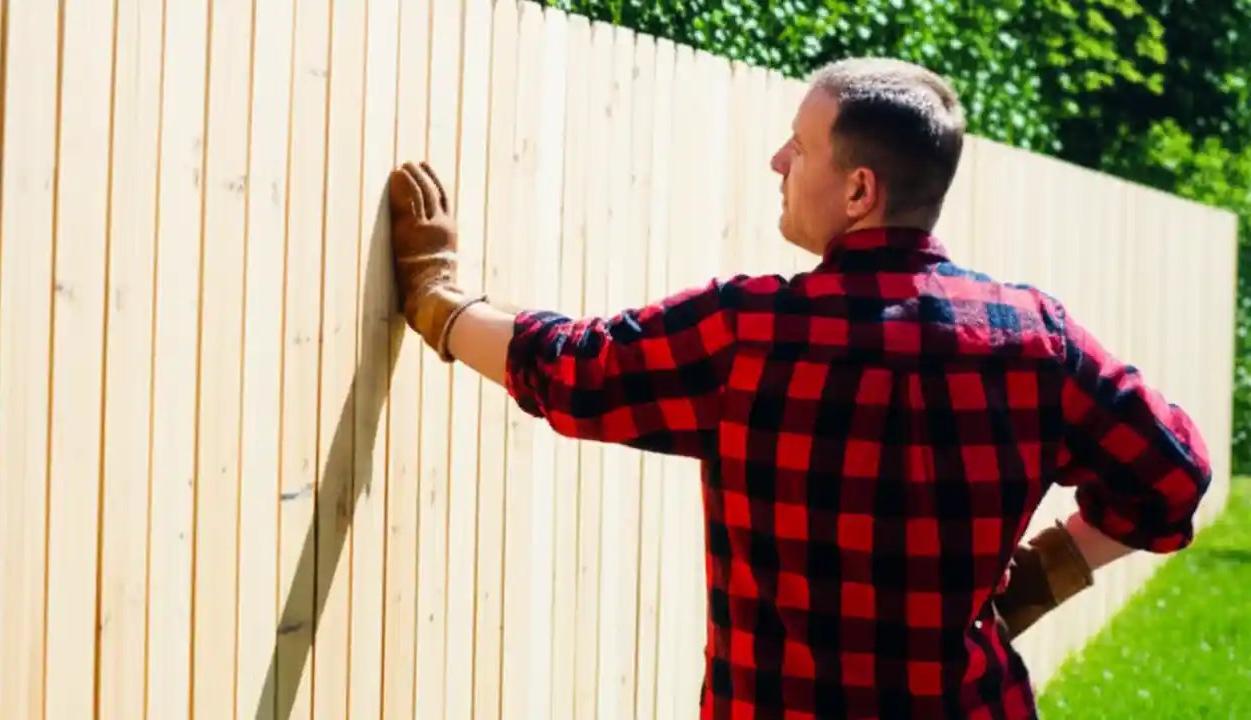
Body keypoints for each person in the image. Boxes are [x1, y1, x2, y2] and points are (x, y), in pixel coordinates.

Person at [386, 57, 1212, 719]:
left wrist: (437, 299)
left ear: (860, 191)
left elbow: (573, 371)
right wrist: (1039, 577)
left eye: (801, 145)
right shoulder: (1036, 340)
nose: (778, 161)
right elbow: (1173, 475)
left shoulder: (753, 331)